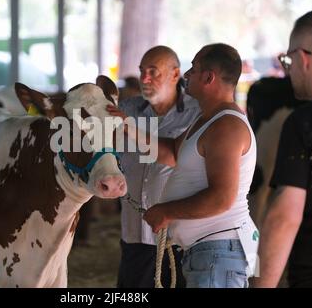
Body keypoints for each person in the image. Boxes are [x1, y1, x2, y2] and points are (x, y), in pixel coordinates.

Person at [110, 43, 258, 288]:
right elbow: (172, 152)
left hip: (218, 252)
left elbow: (222, 198)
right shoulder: (207, 119)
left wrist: (167, 211)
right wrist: (129, 127)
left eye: (193, 68)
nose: (187, 75)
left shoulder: (226, 126)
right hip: (208, 252)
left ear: (209, 77)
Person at [112, 46, 200, 288]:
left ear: (175, 74)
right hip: (135, 234)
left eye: (153, 72)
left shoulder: (198, 113)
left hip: (182, 237)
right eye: (142, 72)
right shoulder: (125, 110)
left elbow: (182, 159)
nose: (144, 79)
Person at [253, 9, 312, 288]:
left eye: (288, 60)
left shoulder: (307, 121)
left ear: (303, 58)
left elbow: (284, 217)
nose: (289, 68)